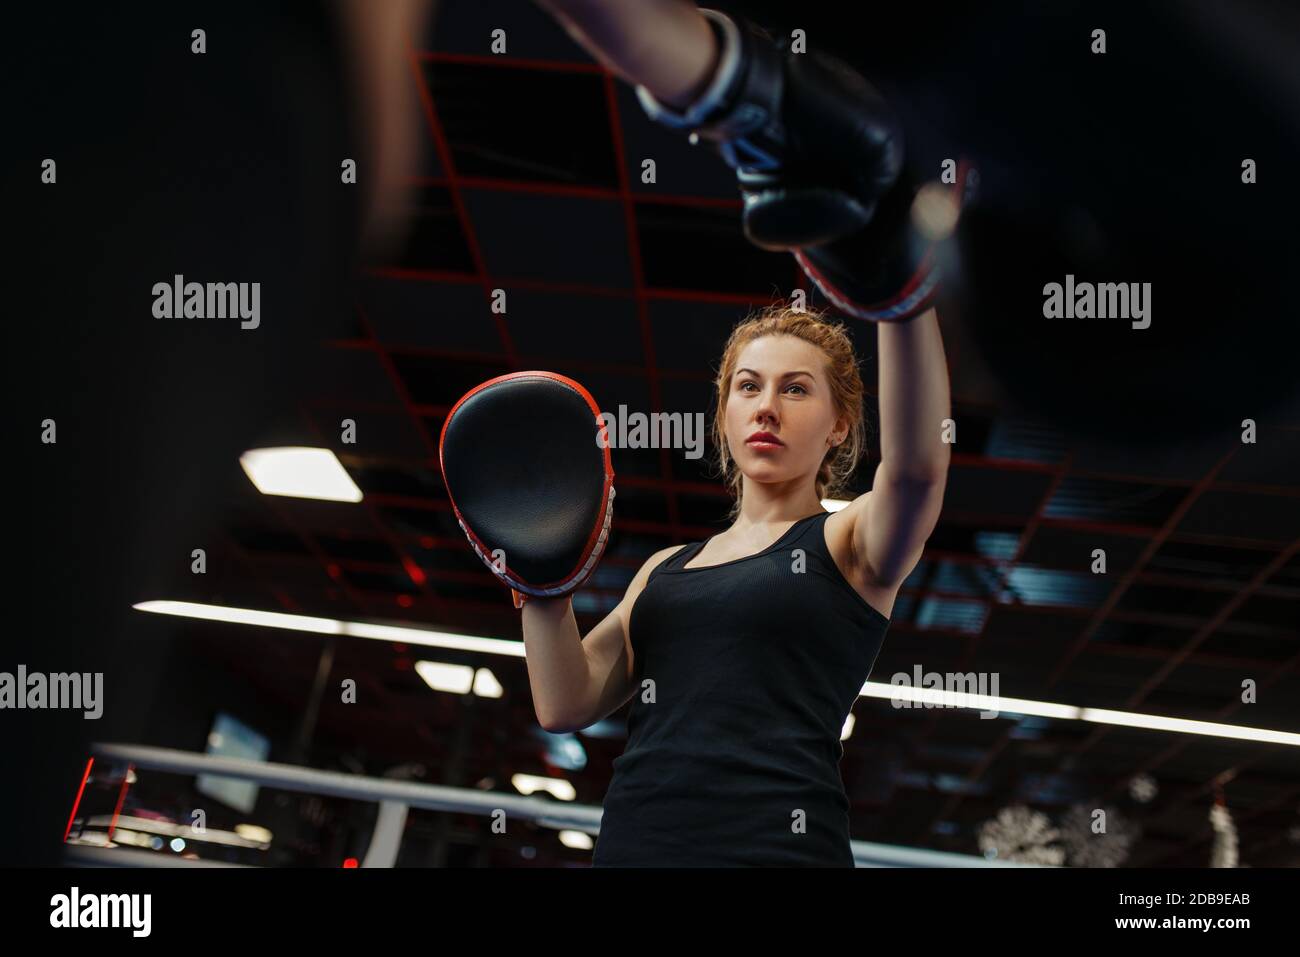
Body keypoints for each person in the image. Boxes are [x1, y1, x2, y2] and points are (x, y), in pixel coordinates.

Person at [522, 2, 952, 866]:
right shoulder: (664, 570)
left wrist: (898, 292)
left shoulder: (848, 539)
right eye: (748, 386)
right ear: (723, 414)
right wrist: (540, 583)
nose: (767, 405)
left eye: (797, 390)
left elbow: (913, 470)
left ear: (838, 425)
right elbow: (564, 704)